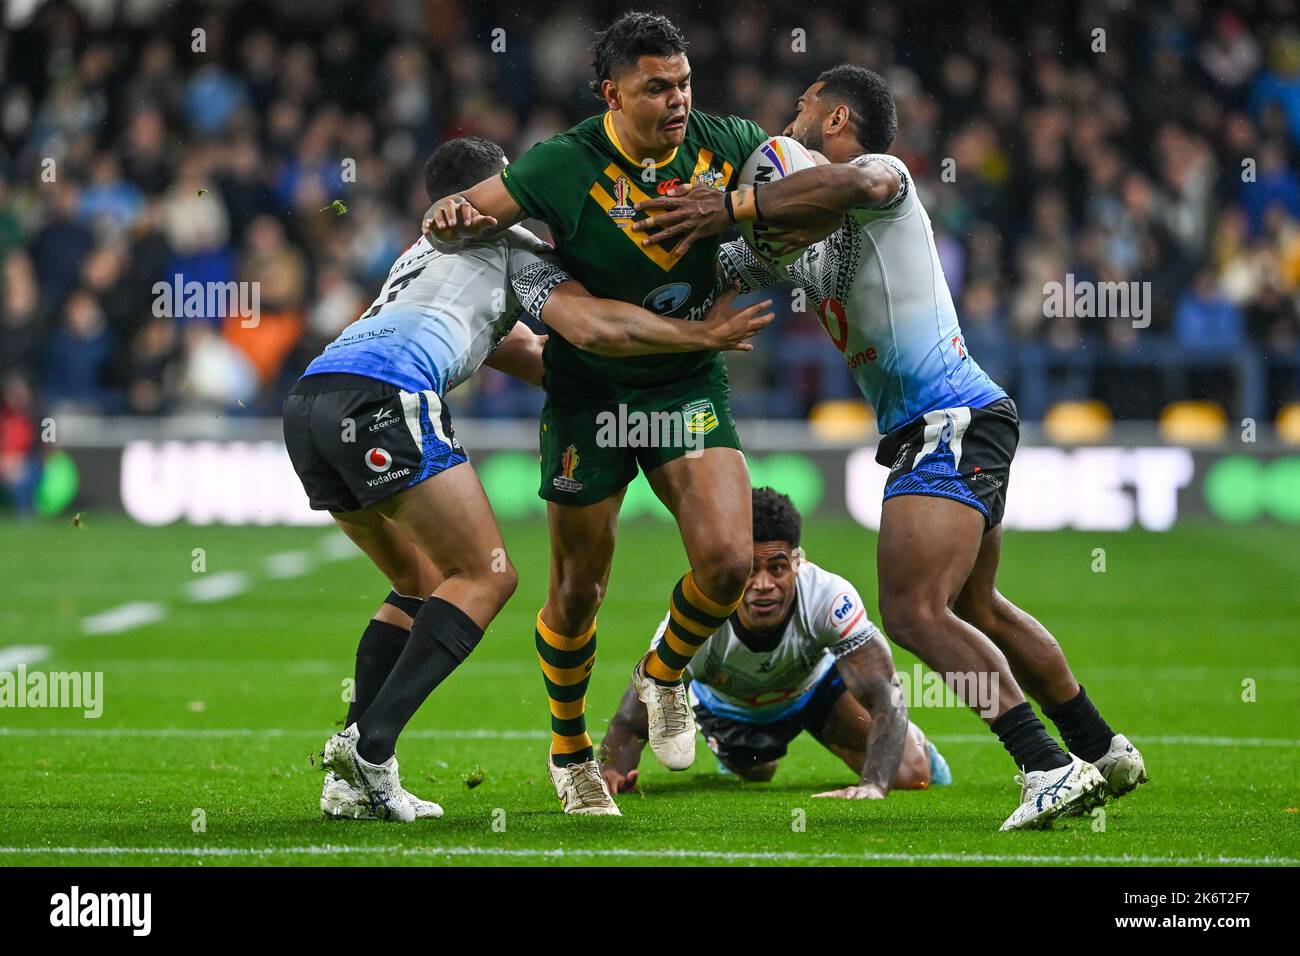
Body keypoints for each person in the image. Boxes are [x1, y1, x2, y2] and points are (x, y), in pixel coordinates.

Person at [632, 66, 1146, 830]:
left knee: (910, 610)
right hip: (958, 418)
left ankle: (1043, 766)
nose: (792, 116)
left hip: (949, 420)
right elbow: (719, 258)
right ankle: (1099, 748)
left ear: (836, 119)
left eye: (804, 106)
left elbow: (858, 188)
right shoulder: (807, 239)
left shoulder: (889, 181)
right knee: (978, 604)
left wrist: (734, 203)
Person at [285, 136, 772, 821]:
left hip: (312, 401)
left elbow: (532, 355)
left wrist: (626, 393)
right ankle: (369, 748)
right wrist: (697, 337)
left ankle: (351, 776)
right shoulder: (514, 247)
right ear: (498, 192)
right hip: (387, 397)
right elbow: (590, 326)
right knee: (488, 575)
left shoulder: (419, 253)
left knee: (419, 583)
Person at [426, 13, 780, 814]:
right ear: (611, 93)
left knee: (728, 562)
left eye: (684, 82)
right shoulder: (564, 162)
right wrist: (447, 220)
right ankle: (569, 751)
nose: (679, 99)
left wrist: (743, 218)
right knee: (578, 590)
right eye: (658, 87)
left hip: (686, 384)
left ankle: (662, 677)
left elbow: (795, 192)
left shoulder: (729, 141)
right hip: (590, 395)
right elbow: (461, 216)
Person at [599, 487, 953, 799]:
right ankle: (730, 749)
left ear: (798, 562)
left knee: (910, 773)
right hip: (731, 705)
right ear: (733, 566)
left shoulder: (828, 597)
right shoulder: (697, 617)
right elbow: (637, 707)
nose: (763, 584)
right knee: (757, 773)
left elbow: (884, 694)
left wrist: (873, 785)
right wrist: (615, 767)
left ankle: (919, 745)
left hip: (813, 690)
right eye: (751, 569)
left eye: (777, 568)